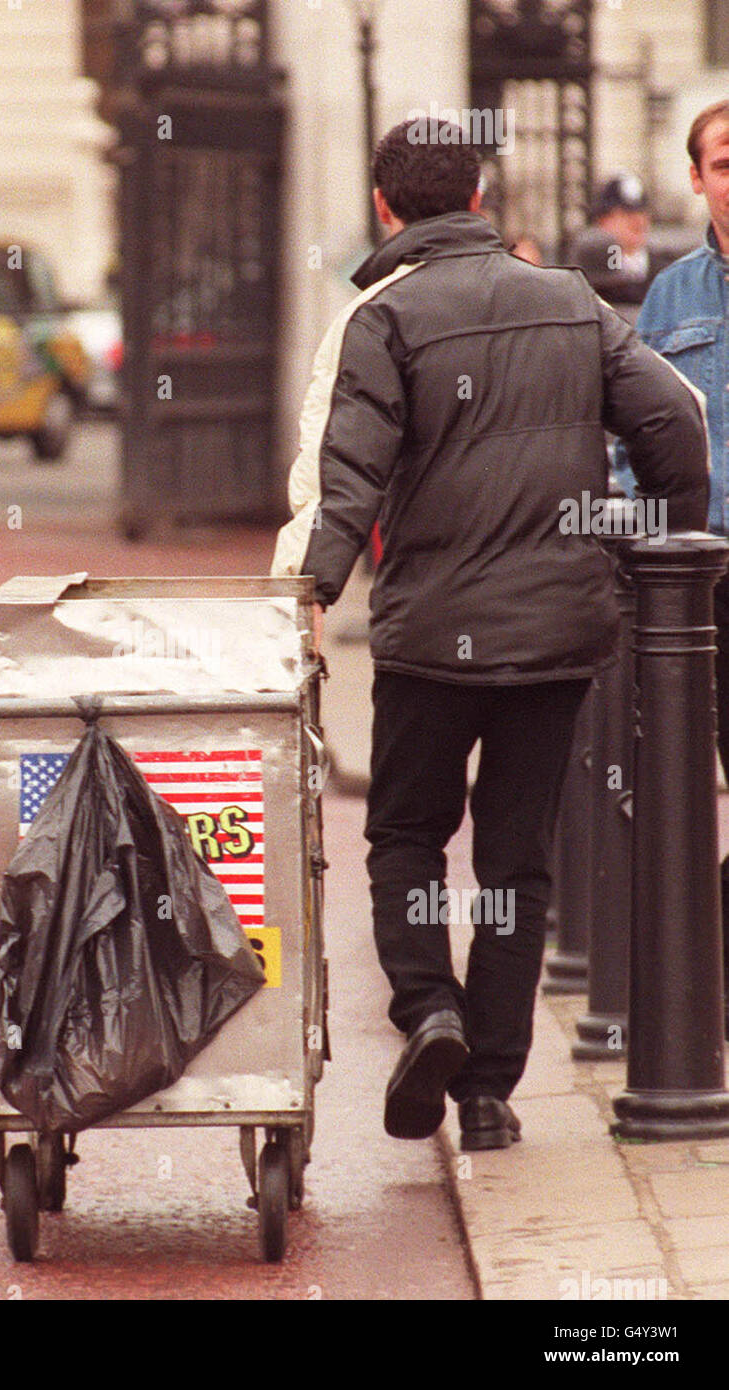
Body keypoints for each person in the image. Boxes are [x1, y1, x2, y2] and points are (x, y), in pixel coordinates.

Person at [272, 118, 708, 1151]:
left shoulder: (386, 318)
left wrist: (308, 598)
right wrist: (650, 541)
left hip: (430, 639)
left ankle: (429, 1007)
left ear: (387, 207)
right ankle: (489, 1094)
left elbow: (347, 483)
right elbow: (675, 423)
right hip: (559, 632)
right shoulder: (569, 299)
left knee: (408, 837)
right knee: (517, 862)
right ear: (478, 192)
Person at [613, 100, 729, 1024]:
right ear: (696, 179)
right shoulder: (668, 299)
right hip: (704, 586)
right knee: (688, 788)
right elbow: (632, 439)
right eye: (723, 161)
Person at [568, 173, 667, 323]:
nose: (638, 220)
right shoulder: (588, 266)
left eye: (642, 211)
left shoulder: (665, 270)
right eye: (625, 213)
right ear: (603, 220)